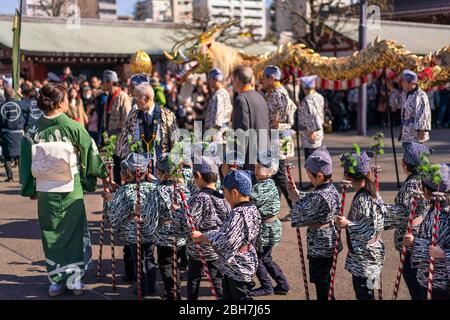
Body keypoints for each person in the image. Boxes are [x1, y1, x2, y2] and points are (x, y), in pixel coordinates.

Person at [19, 83, 109, 297]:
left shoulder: (32, 130)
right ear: (60, 103)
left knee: (51, 232)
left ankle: (56, 281)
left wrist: (30, 187)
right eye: (67, 99)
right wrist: (99, 176)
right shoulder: (74, 127)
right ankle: (75, 280)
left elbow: (25, 163)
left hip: (45, 190)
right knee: (73, 231)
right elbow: (91, 153)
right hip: (71, 188)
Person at [191, 170, 261, 300]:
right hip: (241, 262)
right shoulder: (252, 208)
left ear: (234, 193)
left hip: (237, 265)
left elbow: (227, 240)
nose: (225, 196)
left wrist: (202, 237)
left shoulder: (238, 214)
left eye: (226, 192)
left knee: (240, 297)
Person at [286, 146, 342, 300]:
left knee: (321, 281)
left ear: (319, 175)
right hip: (329, 238)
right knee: (325, 279)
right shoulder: (331, 189)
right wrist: (298, 195)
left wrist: (296, 200)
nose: (308, 178)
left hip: (321, 243)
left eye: (309, 175)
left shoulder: (320, 196)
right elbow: (313, 200)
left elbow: (303, 215)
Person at [171, 155, 230, 300]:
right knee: (217, 279)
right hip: (217, 245)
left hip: (199, 246)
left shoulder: (199, 198)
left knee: (194, 278)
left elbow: (188, 222)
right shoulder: (224, 195)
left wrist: (178, 212)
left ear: (197, 175)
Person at [102, 153, 159, 295]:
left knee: (138, 259)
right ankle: (150, 286)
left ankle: (142, 287)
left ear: (128, 171)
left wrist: (109, 199)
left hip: (134, 232)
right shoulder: (154, 188)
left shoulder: (125, 190)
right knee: (149, 257)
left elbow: (114, 216)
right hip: (151, 230)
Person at [383, 142, 433, 300]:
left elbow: (404, 213)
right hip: (422, 238)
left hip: (412, 241)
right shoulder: (424, 180)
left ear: (405, 165)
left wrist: (380, 218)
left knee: (416, 285)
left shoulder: (412, 184)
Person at [335, 147, 386, 300]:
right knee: (370, 292)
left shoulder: (363, 199)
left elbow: (371, 227)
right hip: (373, 256)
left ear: (349, 177)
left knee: (364, 294)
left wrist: (347, 224)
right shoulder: (373, 192)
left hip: (365, 259)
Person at [141, 153, 186, 300]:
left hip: (164, 235)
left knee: (166, 264)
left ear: (160, 172)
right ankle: (176, 291)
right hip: (181, 233)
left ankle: (172, 293)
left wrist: (148, 226)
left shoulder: (156, 191)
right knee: (176, 263)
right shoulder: (184, 189)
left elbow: (150, 215)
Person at [250, 152, 290, 297]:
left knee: (257, 258)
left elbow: (249, 200)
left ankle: (266, 286)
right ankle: (283, 284)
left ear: (270, 170)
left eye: (259, 167)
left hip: (266, 230)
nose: (255, 169)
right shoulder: (269, 183)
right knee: (266, 258)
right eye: (256, 166)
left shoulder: (262, 187)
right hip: (271, 227)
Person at [116, 83, 178, 176]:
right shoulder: (133, 115)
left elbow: (175, 142)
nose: (134, 101)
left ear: (147, 98)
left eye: (136, 97)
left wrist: (173, 168)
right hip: (138, 169)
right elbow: (125, 140)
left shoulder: (167, 115)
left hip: (161, 169)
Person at [410, 163, 450, 300]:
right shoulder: (433, 210)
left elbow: (435, 248)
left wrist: (444, 254)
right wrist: (414, 237)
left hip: (439, 282)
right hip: (427, 278)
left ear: (428, 191)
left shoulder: (445, 215)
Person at [261, 65, 297, 218]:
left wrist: (278, 124)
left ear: (271, 78)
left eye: (264, 78)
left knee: (280, 174)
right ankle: (274, 206)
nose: (262, 81)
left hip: (279, 138)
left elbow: (288, 117)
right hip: (275, 137)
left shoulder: (279, 93)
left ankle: (295, 207)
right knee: (275, 174)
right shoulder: (273, 93)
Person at [231, 65, 270, 169]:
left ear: (238, 79)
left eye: (233, 79)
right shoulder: (260, 97)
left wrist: (237, 159)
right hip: (265, 150)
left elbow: (241, 132)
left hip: (251, 157)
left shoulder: (241, 100)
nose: (232, 83)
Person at [102, 70, 132, 183]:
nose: (103, 84)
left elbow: (126, 117)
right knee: (113, 163)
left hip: (120, 135)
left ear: (110, 82)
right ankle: (116, 187)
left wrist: (125, 137)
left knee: (122, 163)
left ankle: (124, 188)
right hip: (111, 135)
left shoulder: (122, 96)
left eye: (104, 82)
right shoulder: (109, 96)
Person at [0, 86, 31, 182]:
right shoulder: (21, 104)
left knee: (7, 156)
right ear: (13, 94)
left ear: (4, 95)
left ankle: (10, 177)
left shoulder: (2, 106)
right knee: (20, 156)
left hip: (6, 133)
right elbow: (29, 107)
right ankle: (22, 177)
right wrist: (26, 125)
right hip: (18, 133)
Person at [399, 70, 431, 143]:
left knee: (416, 153)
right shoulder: (405, 93)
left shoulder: (420, 95)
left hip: (417, 133)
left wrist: (422, 131)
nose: (402, 83)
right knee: (408, 152)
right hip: (407, 132)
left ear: (411, 83)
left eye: (404, 81)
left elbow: (424, 114)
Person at [205, 68, 233, 143]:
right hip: (224, 130)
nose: (208, 82)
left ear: (215, 79)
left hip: (217, 133)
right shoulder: (225, 92)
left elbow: (218, 118)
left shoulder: (218, 95)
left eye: (210, 79)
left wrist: (212, 134)